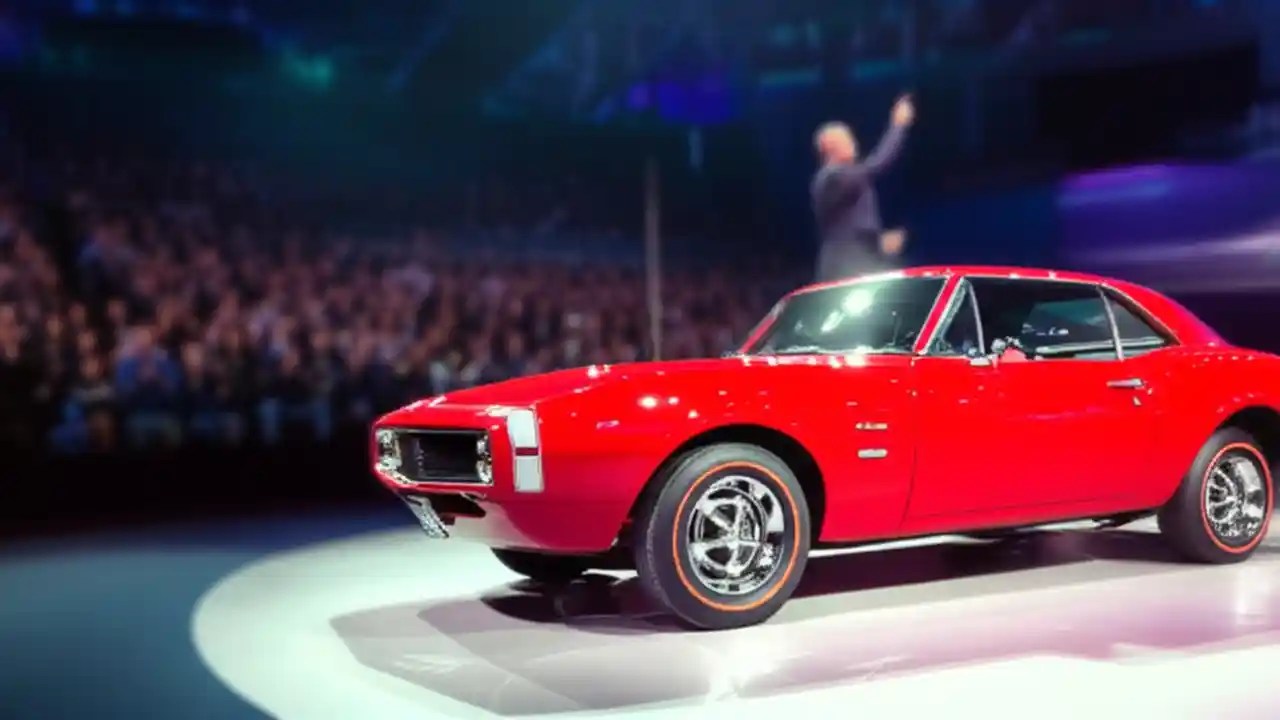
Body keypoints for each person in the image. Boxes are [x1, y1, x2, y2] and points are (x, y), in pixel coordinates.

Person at [810, 94, 915, 282]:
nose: (854, 143)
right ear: (830, 147)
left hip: (861, 264)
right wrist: (898, 125)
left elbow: (852, 228)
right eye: (848, 139)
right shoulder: (831, 178)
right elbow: (879, 164)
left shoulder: (850, 179)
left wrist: (880, 243)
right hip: (842, 269)